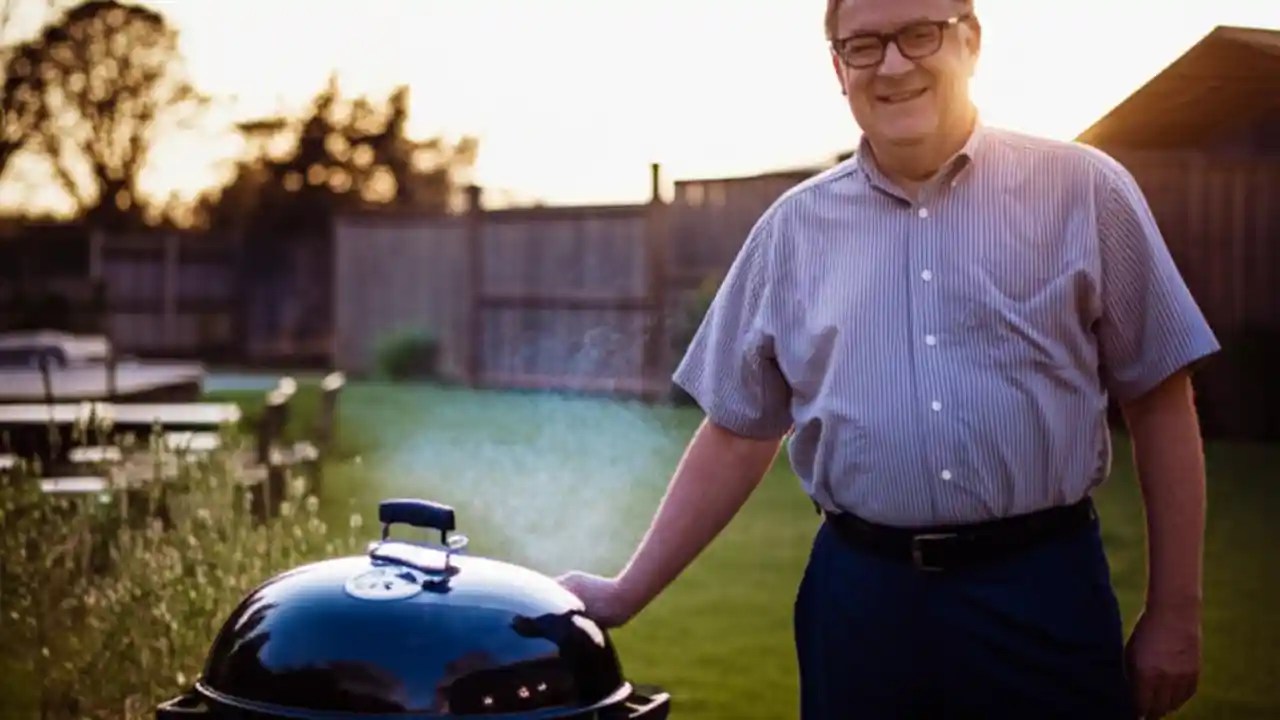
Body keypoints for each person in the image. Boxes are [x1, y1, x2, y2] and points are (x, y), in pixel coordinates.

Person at [557, 0, 1219, 717]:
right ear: (838, 69)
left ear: (970, 42)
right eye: (864, 45)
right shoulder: (793, 230)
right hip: (860, 604)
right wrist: (627, 591)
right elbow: (739, 430)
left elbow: (1158, 399)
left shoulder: (1087, 191)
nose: (894, 64)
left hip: (1042, 594)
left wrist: (1175, 612)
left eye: (919, 34)